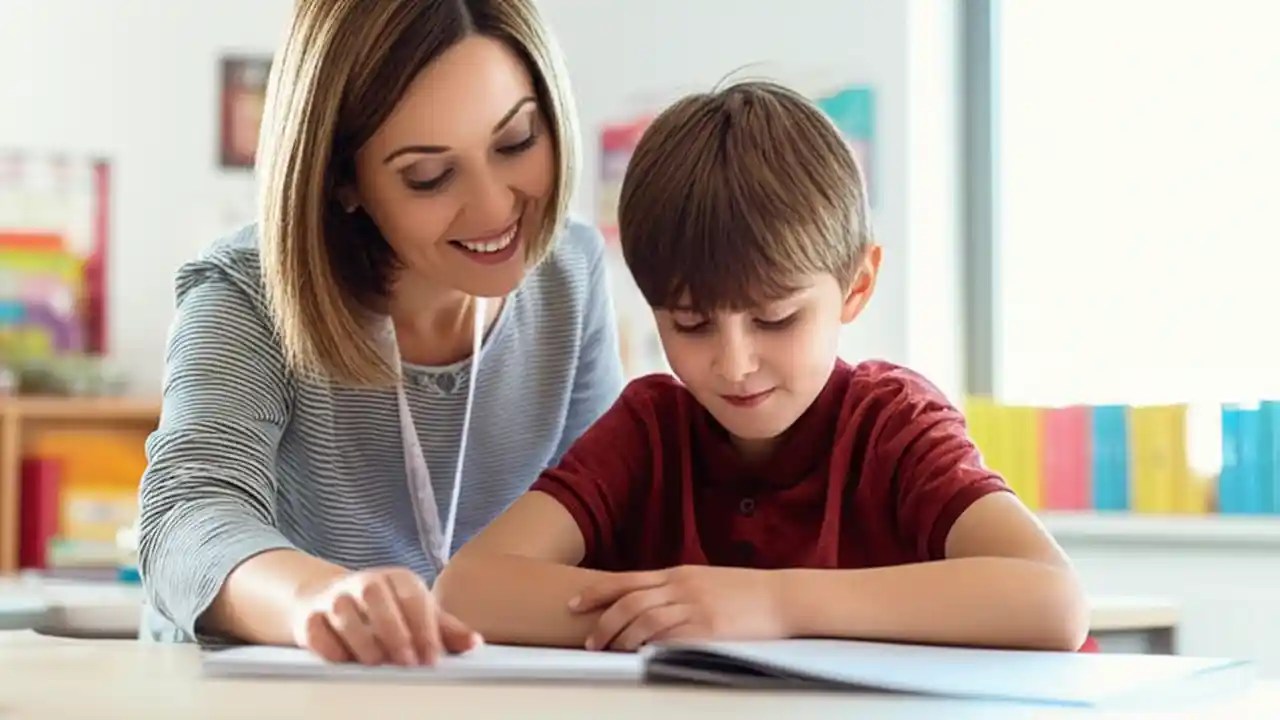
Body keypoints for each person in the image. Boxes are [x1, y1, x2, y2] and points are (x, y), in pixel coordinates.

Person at [435, 80, 1090, 653]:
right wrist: (680, 610)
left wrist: (773, 605)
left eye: (775, 319)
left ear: (857, 287)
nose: (734, 363)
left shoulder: (892, 423)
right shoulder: (650, 429)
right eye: (690, 324)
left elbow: (1052, 600)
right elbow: (468, 589)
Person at [137, 0, 623, 667]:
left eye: (515, 142)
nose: (493, 207)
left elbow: (604, 518)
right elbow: (184, 517)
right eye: (429, 175)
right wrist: (317, 601)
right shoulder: (245, 292)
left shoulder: (572, 271)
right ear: (343, 182)